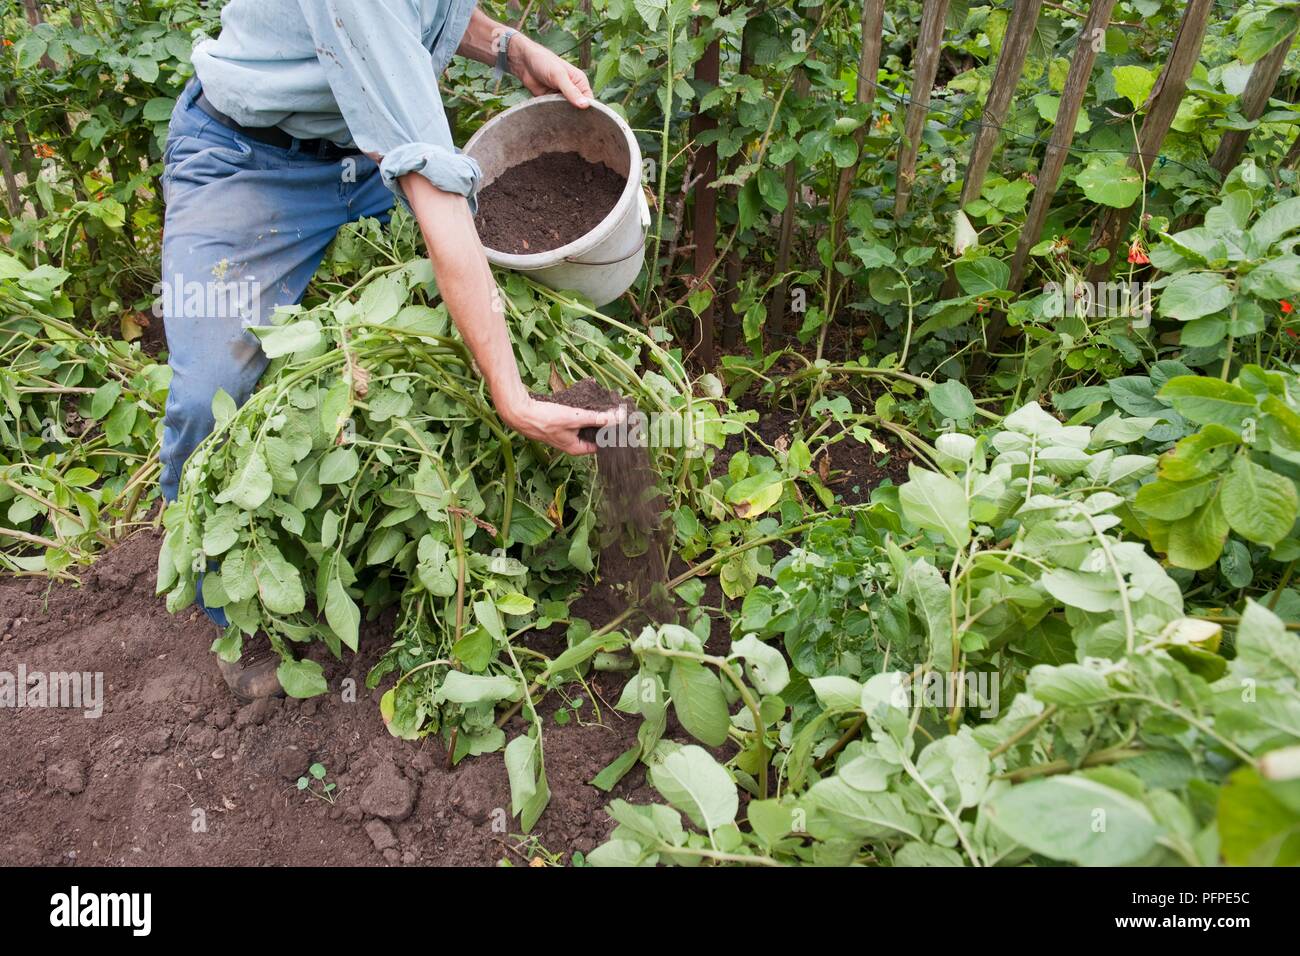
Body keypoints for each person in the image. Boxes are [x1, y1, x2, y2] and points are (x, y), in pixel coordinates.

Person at [160, 0, 616, 700]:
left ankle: (475, 516)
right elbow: (439, 199)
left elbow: (420, 13)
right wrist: (511, 394)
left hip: (363, 149)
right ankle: (222, 599)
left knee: (489, 304)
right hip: (250, 159)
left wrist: (508, 47)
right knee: (210, 391)